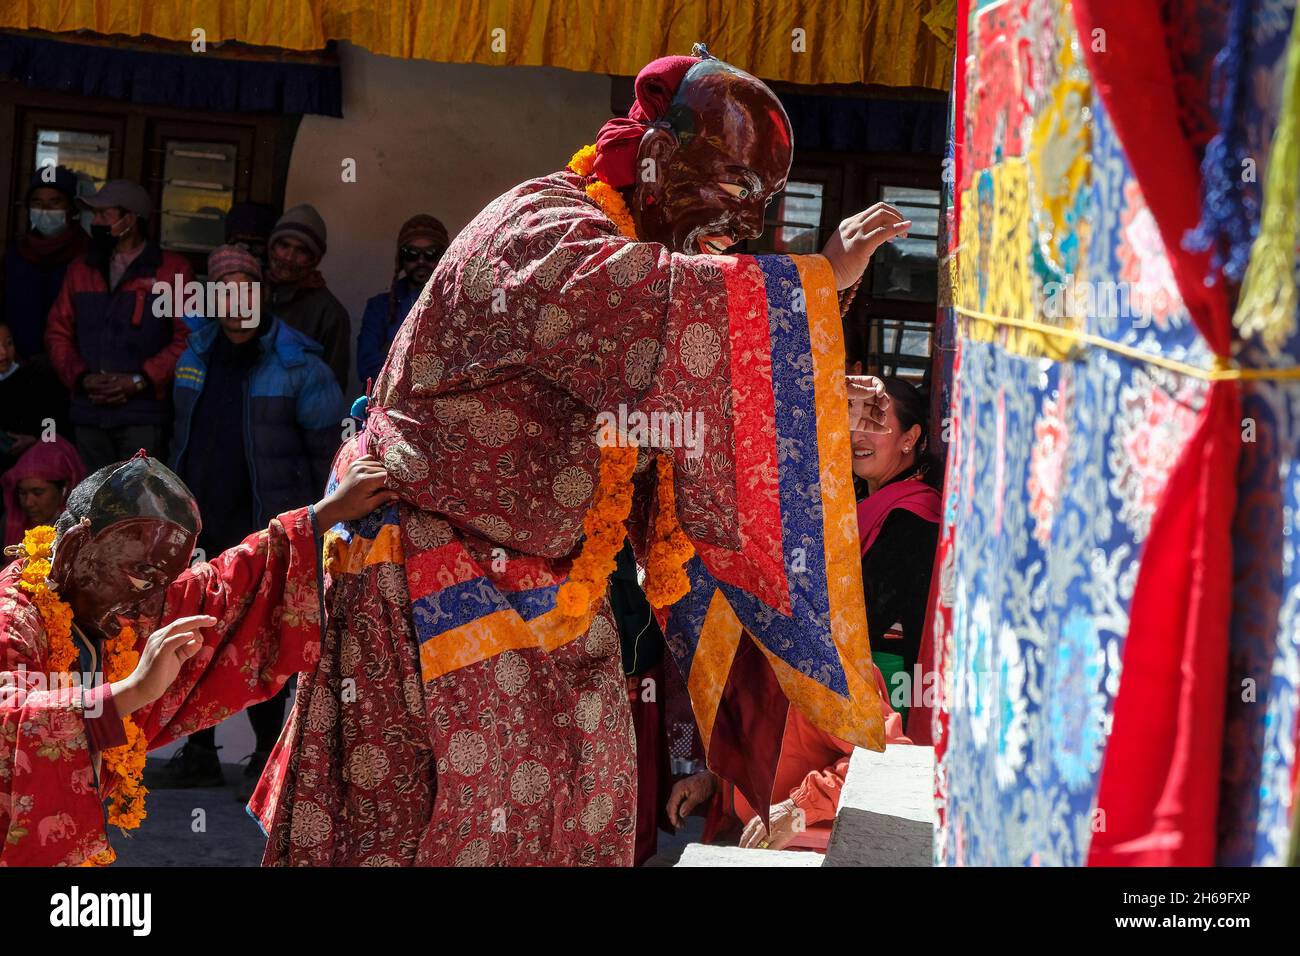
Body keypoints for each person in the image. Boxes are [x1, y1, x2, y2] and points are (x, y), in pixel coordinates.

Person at [251, 49, 908, 867]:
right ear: (661, 161)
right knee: (456, 824)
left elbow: (685, 372)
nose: (744, 226)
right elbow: (650, 308)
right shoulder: (545, 229)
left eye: (763, 206)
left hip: (548, 581)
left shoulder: (645, 248)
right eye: (735, 191)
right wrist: (814, 282)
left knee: (584, 802)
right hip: (432, 569)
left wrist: (811, 291)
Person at [0, 451, 394, 866]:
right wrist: (134, 690)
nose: (151, 601)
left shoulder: (127, 605)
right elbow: (12, 721)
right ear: (75, 549)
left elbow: (223, 586)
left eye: (162, 583)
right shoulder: (13, 621)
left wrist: (325, 514)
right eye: (142, 577)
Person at [148, 244, 345, 794]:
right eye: (224, 289)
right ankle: (198, 751)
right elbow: (175, 433)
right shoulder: (196, 355)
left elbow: (328, 453)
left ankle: (263, 756)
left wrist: (316, 522)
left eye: (246, 287)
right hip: (201, 517)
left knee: (263, 634)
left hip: (267, 520)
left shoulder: (299, 364)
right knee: (191, 630)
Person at [44, 179, 192, 472]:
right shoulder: (80, 268)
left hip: (144, 414)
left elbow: (189, 337)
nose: (95, 222)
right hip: (88, 412)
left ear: (131, 219)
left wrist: (141, 380)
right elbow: (57, 332)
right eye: (94, 215)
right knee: (90, 507)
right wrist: (81, 377)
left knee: (138, 506)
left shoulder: (172, 269)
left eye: (104, 215)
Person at [851, 374, 941, 729]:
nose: (858, 436)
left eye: (875, 424)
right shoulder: (868, 503)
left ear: (909, 438)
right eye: (855, 422)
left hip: (889, 685)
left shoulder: (915, 515)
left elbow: (867, 614)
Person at [1, 165, 88, 362]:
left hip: (72, 368)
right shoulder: (16, 255)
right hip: (19, 367)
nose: (45, 211)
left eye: (54, 202)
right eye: (37, 202)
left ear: (71, 208)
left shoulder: (89, 256)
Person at [265, 204, 351, 392]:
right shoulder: (251, 292)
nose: (289, 257)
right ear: (272, 246)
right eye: (284, 246)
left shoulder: (330, 314)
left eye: (301, 250)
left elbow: (330, 390)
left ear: (315, 258)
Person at [357, 214, 449, 386]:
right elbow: (367, 368)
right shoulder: (380, 307)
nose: (421, 261)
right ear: (401, 258)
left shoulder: (459, 303)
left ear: (444, 257)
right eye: (411, 254)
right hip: (388, 405)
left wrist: (393, 353)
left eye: (431, 254)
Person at [0, 321, 70, 471]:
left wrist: (35, 440)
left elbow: (53, 421)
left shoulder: (36, 377)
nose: (4, 352)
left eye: (9, 343)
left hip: (36, 466)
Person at [1, 436, 86, 548]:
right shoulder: (7, 524)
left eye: (38, 493)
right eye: (22, 493)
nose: (28, 503)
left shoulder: (83, 528)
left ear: (64, 489)